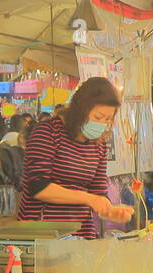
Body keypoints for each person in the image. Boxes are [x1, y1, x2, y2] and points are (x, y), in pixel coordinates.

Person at [16, 77, 133, 238]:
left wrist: (110, 211)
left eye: (108, 119)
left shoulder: (98, 145)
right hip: (43, 234)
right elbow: (38, 186)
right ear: (81, 110)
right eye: (98, 117)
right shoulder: (48, 132)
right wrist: (89, 199)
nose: (102, 123)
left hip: (81, 235)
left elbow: (97, 193)